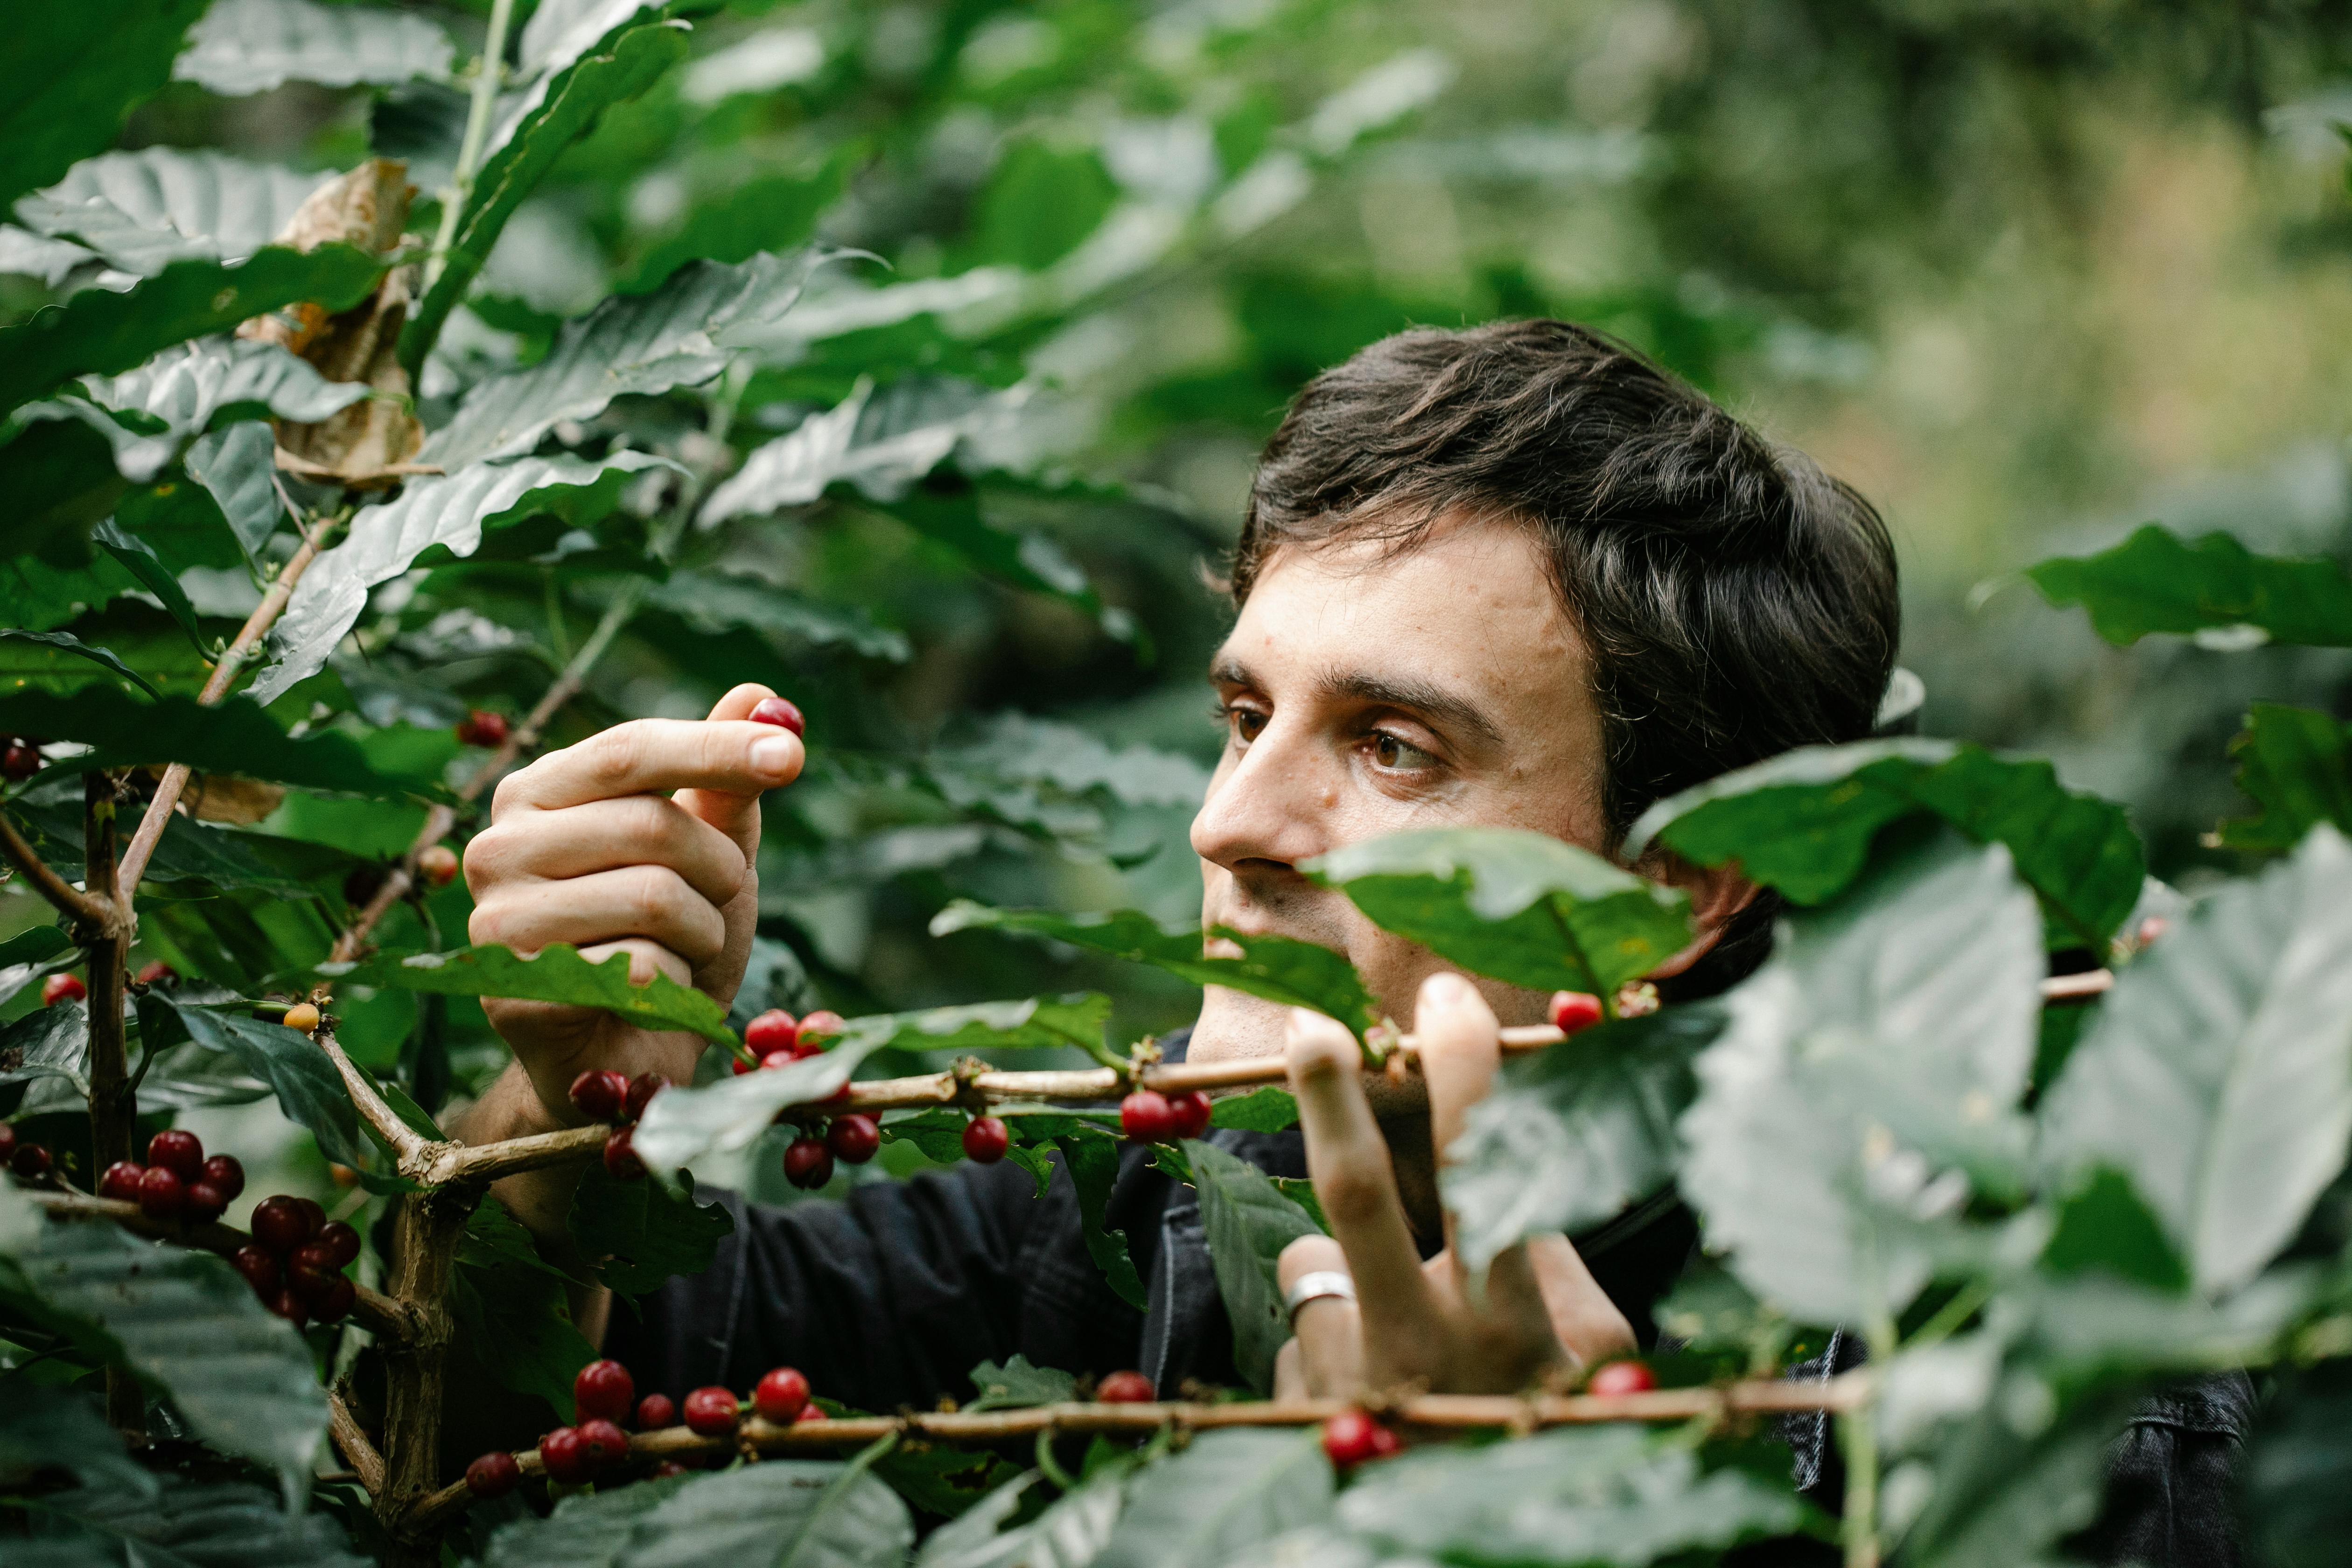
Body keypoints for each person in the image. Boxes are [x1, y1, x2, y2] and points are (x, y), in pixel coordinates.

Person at [453, 321, 2238, 1558]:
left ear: (1683, 887)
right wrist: (560, 1131)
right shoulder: (1143, 1202)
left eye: (1394, 749)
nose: (1229, 825)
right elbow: (528, 1442)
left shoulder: (2009, 1383)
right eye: (1245, 717)